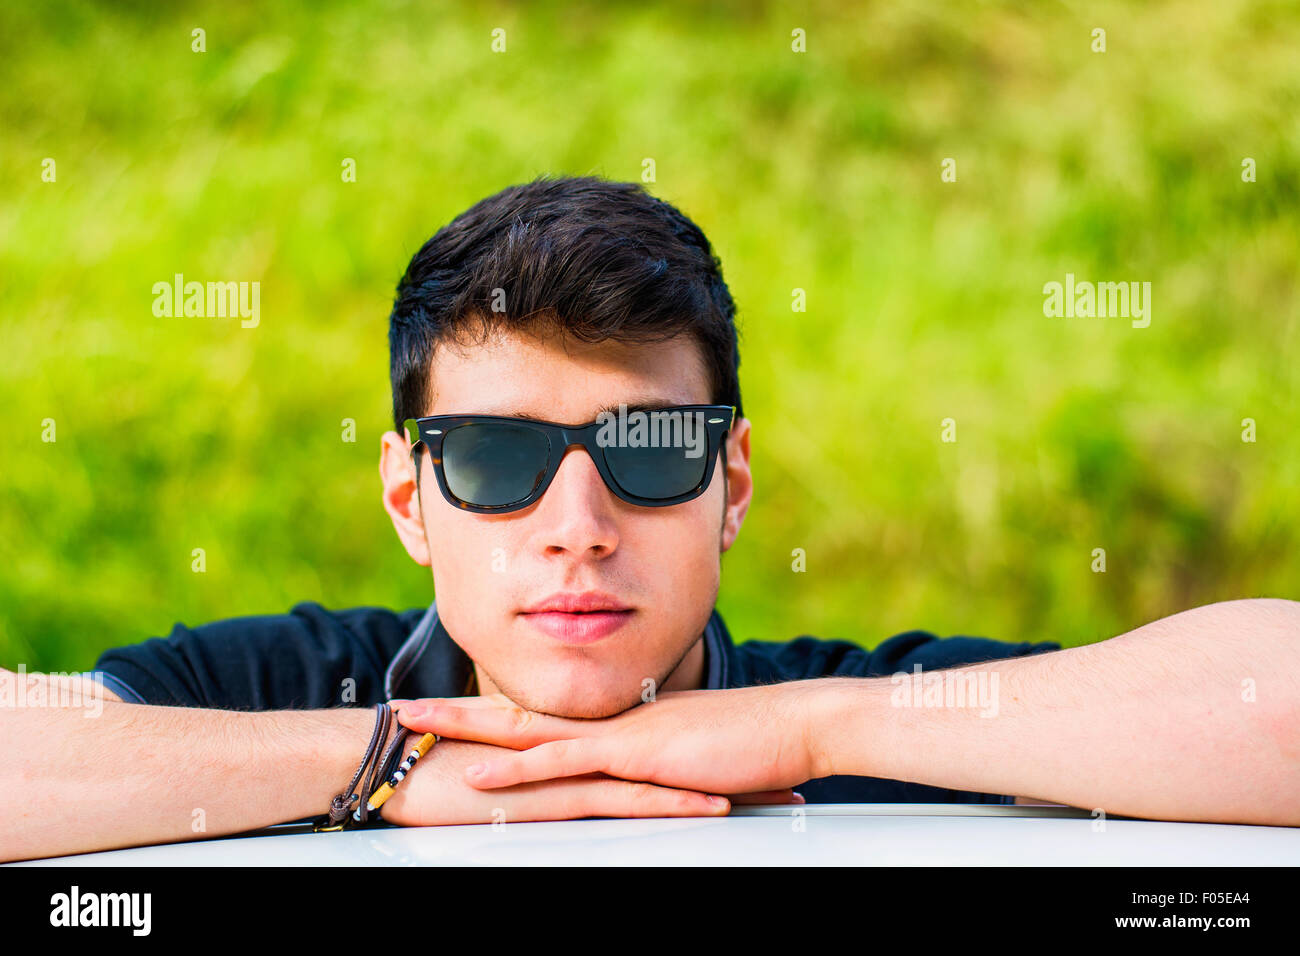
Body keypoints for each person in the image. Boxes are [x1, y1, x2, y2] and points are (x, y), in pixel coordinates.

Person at [3, 175, 1296, 863]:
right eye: (500, 457)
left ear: (732, 485)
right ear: (411, 497)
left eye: (649, 452)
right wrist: (384, 764)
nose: (578, 522)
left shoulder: (856, 726)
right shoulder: (291, 691)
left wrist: (802, 726)